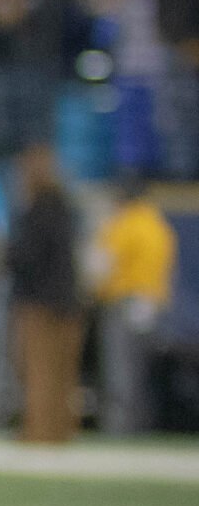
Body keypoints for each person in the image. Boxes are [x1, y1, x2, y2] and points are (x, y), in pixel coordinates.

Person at [6, 144, 83, 443]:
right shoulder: (63, 206)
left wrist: (5, 255)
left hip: (41, 305)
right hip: (67, 303)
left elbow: (29, 257)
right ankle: (61, 431)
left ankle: (39, 432)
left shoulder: (40, 208)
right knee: (63, 375)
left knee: (39, 373)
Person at [92, 174, 177, 435]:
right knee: (140, 373)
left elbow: (102, 266)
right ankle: (140, 427)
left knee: (119, 370)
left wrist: (97, 292)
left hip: (123, 301)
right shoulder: (159, 226)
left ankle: (119, 430)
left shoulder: (124, 224)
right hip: (150, 305)